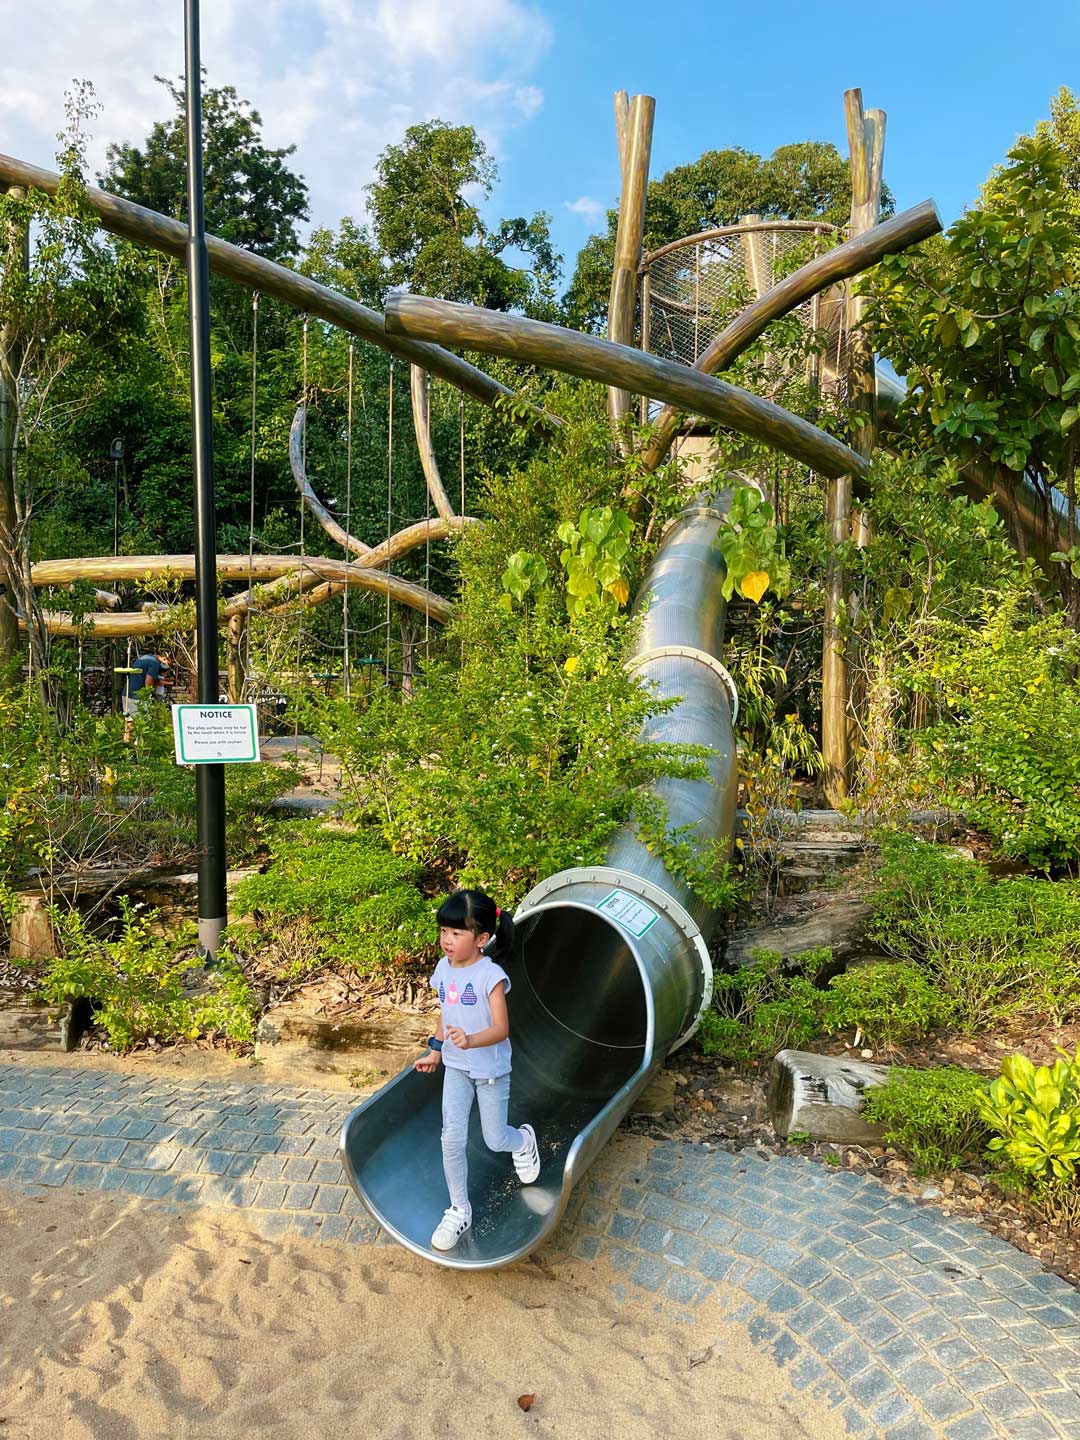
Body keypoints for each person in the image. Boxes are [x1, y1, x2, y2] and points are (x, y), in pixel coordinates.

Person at [414, 889, 540, 1251]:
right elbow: (446, 1014)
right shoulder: (443, 969)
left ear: (482, 939)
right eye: (443, 932)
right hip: (456, 1067)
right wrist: (436, 1050)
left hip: (490, 1070)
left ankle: (524, 1140)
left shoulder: (491, 976)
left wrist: (471, 1040)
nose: (446, 941)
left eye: (456, 934)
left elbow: (502, 1028)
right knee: (451, 1139)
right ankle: (459, 1209)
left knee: (494, 1138)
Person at [122, 650, 173, 742]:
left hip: (127, 693)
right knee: (143, 723)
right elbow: (148, 682)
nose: (167, 666)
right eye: (168, 663)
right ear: (164, 658)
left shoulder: (145, 657)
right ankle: (139, 748)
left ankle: (126, 746)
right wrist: (150, 694)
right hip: (138, 696)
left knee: (129, 721)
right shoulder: (155, 663)